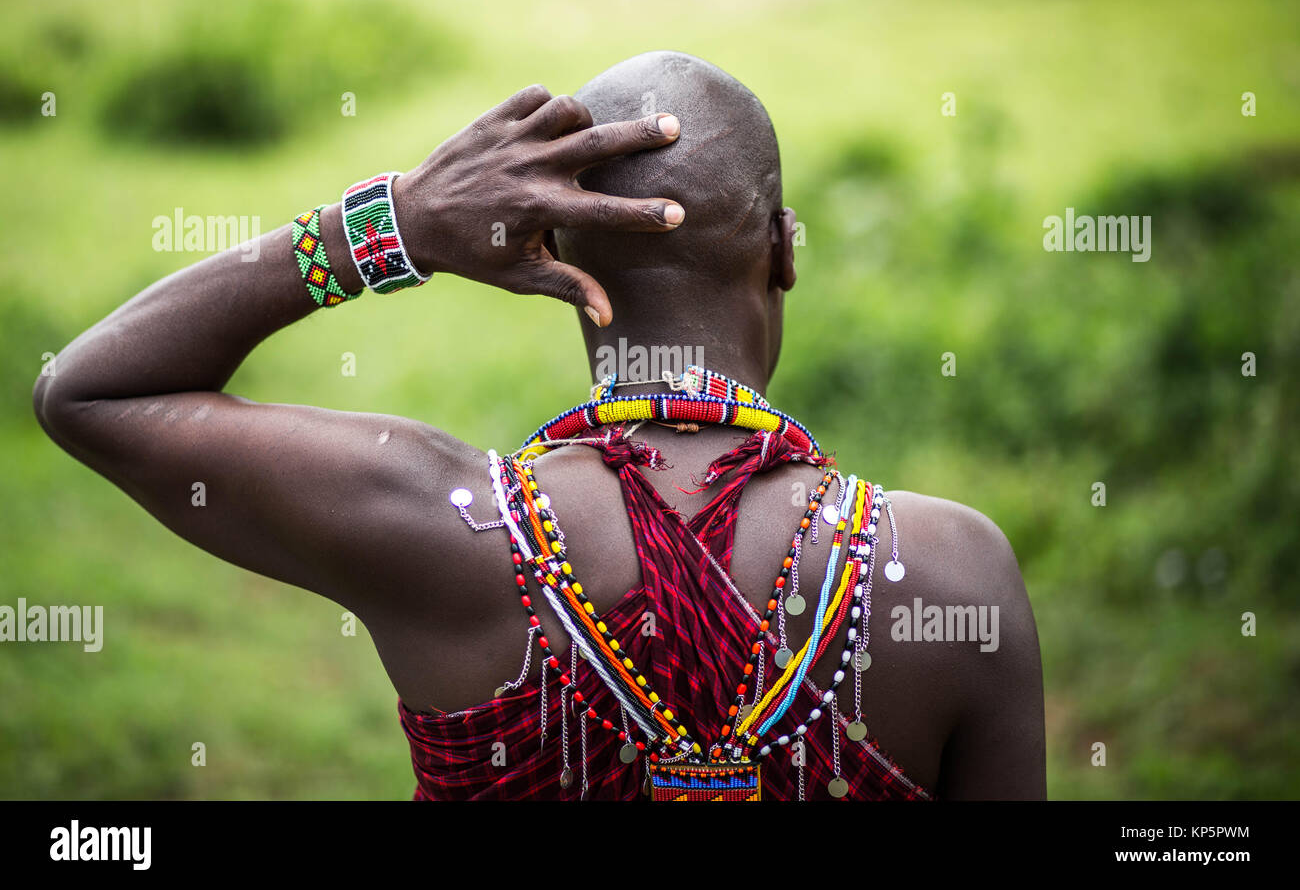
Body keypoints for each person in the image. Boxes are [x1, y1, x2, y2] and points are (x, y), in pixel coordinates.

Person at [33, 50, 1045, 800]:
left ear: (547, 248)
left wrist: (399, 222)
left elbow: (89, 391)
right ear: (782, 250)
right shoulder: (956, 570)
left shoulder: (439, 525)